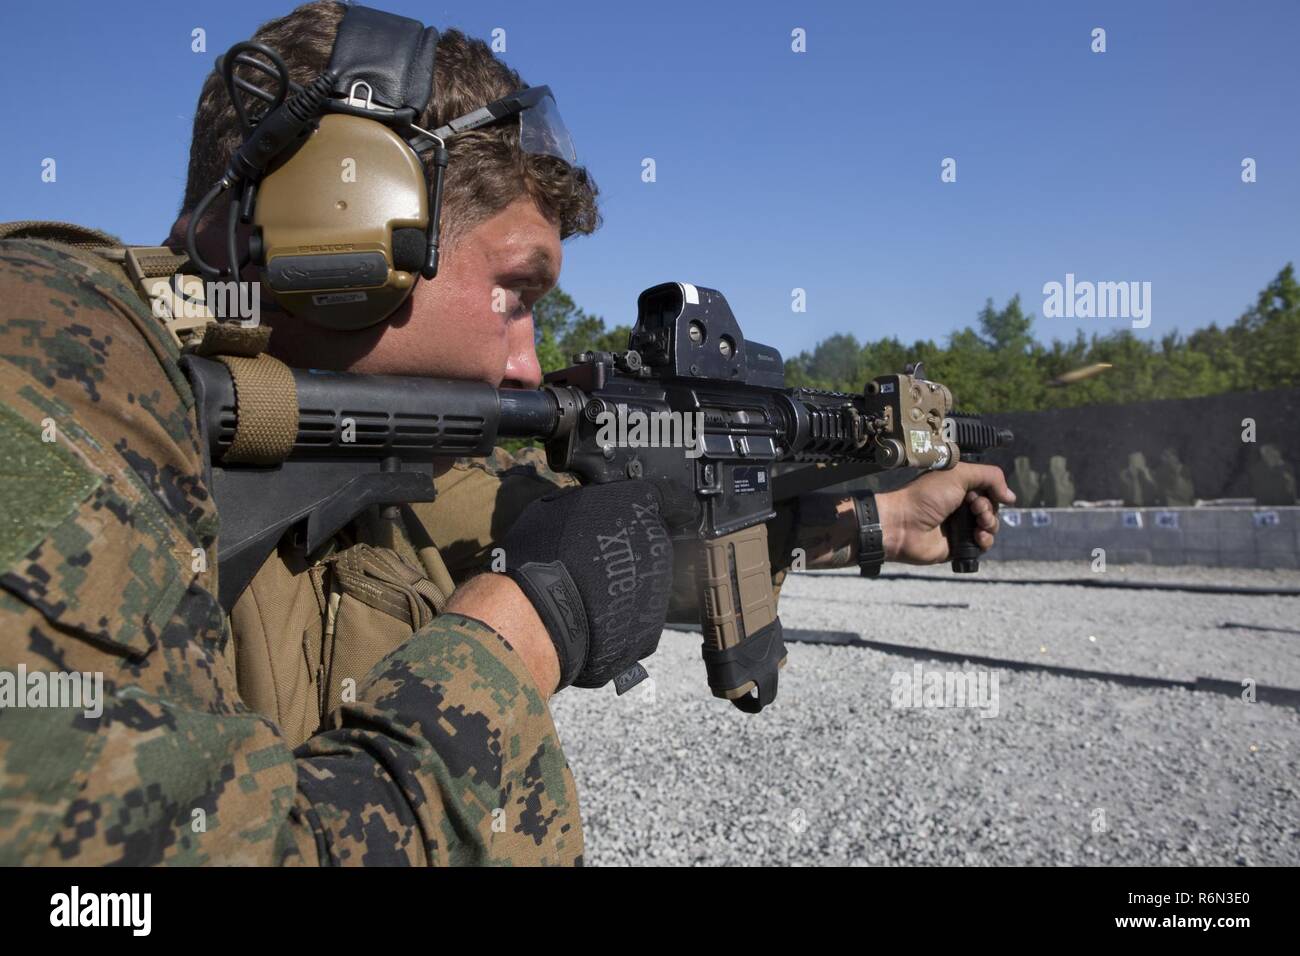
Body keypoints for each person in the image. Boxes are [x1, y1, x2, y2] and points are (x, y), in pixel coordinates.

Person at [0, 1, 1013, 866]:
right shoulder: (42, 372)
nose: (530, 362)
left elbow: (590, 532)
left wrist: (873, 520)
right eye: (515, 291)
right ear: (342, 224)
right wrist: (519, 631)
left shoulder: (351, 444)